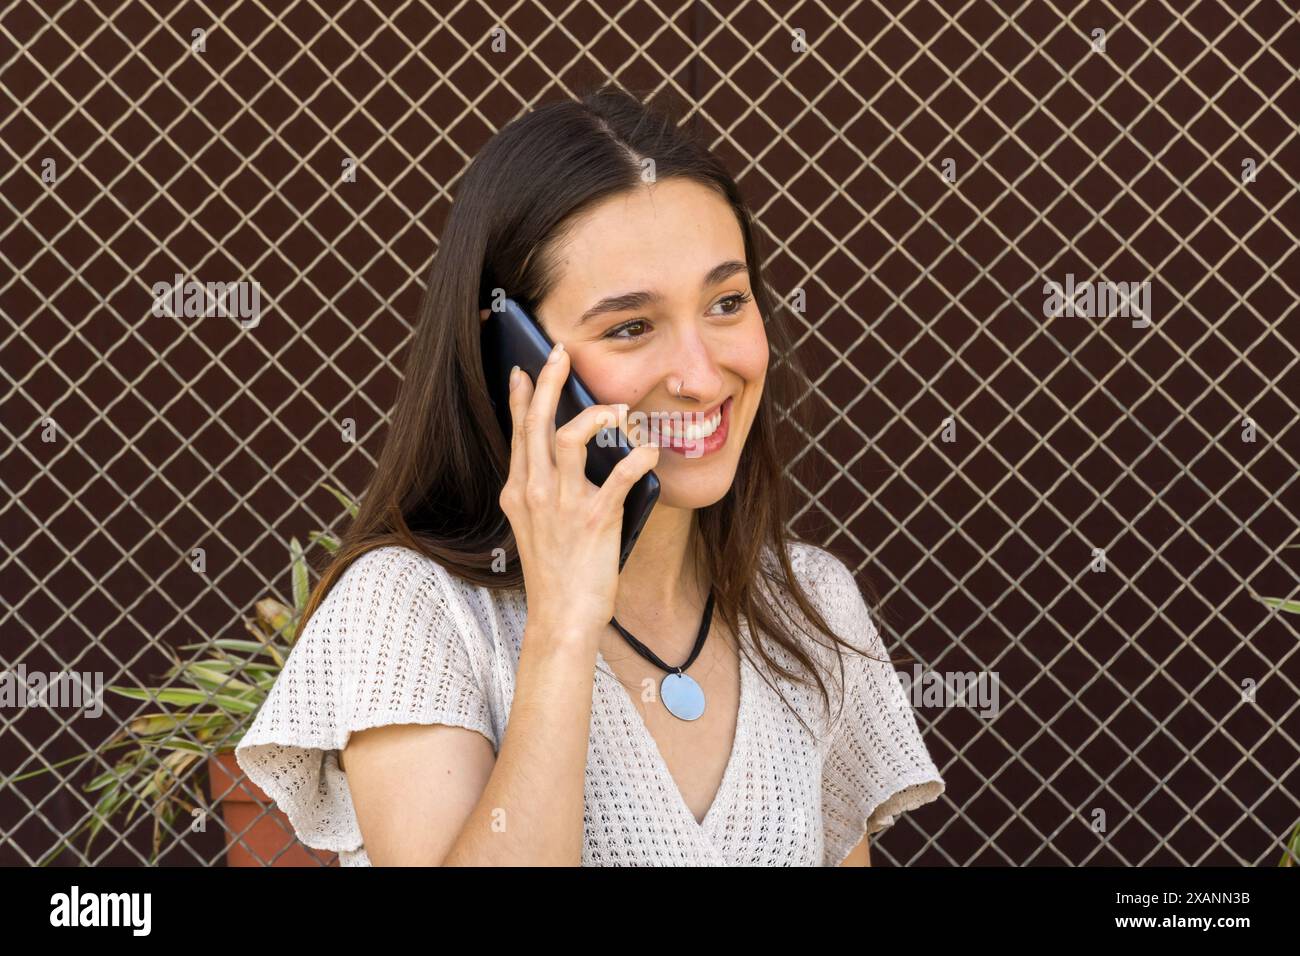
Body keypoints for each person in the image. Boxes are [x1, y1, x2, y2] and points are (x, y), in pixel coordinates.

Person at [235, 83, 944, 866]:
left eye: (727, 302)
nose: (703, 378)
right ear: (513, 355)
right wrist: (565, 626)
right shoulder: (411, 612)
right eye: (631, 326)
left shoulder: (809, 605)